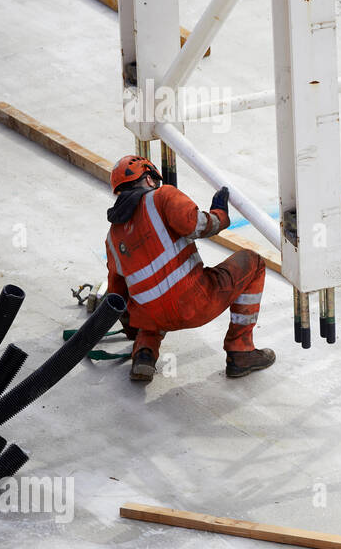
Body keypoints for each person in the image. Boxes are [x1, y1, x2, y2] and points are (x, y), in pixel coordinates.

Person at [104, 154, 275, 382]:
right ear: (148, 179)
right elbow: (197, 226)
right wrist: (220, 213)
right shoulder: (162, 197)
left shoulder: (112, 238)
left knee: (148, 306)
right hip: (195, 303)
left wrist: (132, 329)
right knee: (253, 262)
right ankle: (240, 351)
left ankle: (144, 353)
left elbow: (117, 295)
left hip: (154, 319)